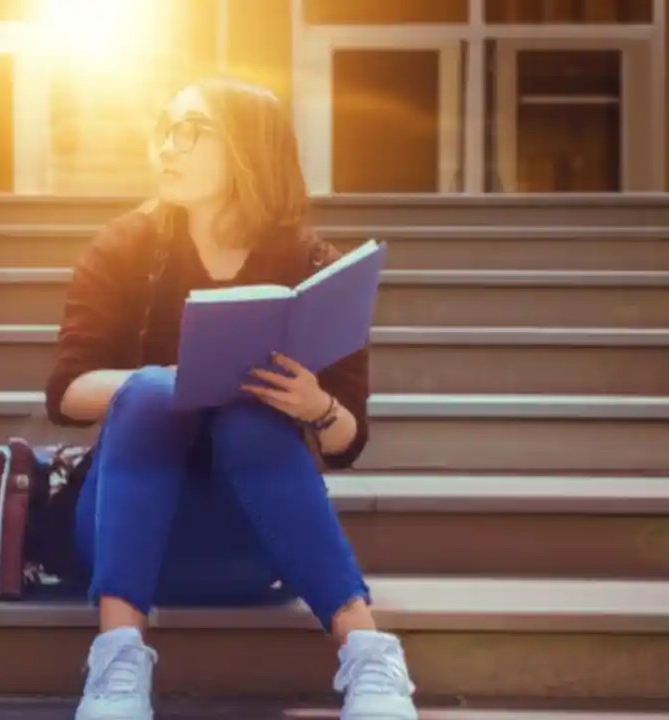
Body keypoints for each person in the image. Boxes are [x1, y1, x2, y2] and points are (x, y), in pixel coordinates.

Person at [45, 77, 418, 720]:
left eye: (191, 131)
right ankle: (116, 663)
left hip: (248, 544)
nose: (169, 145)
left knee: (250, 415)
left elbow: (348, 440)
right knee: (155, 392)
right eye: (166, 128)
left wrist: (315, 407)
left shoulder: (309, 263)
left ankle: (370, 657)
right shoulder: (126, 246)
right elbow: (67, 392)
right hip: (119, 532)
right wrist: (167, 382)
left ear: (247, 147)